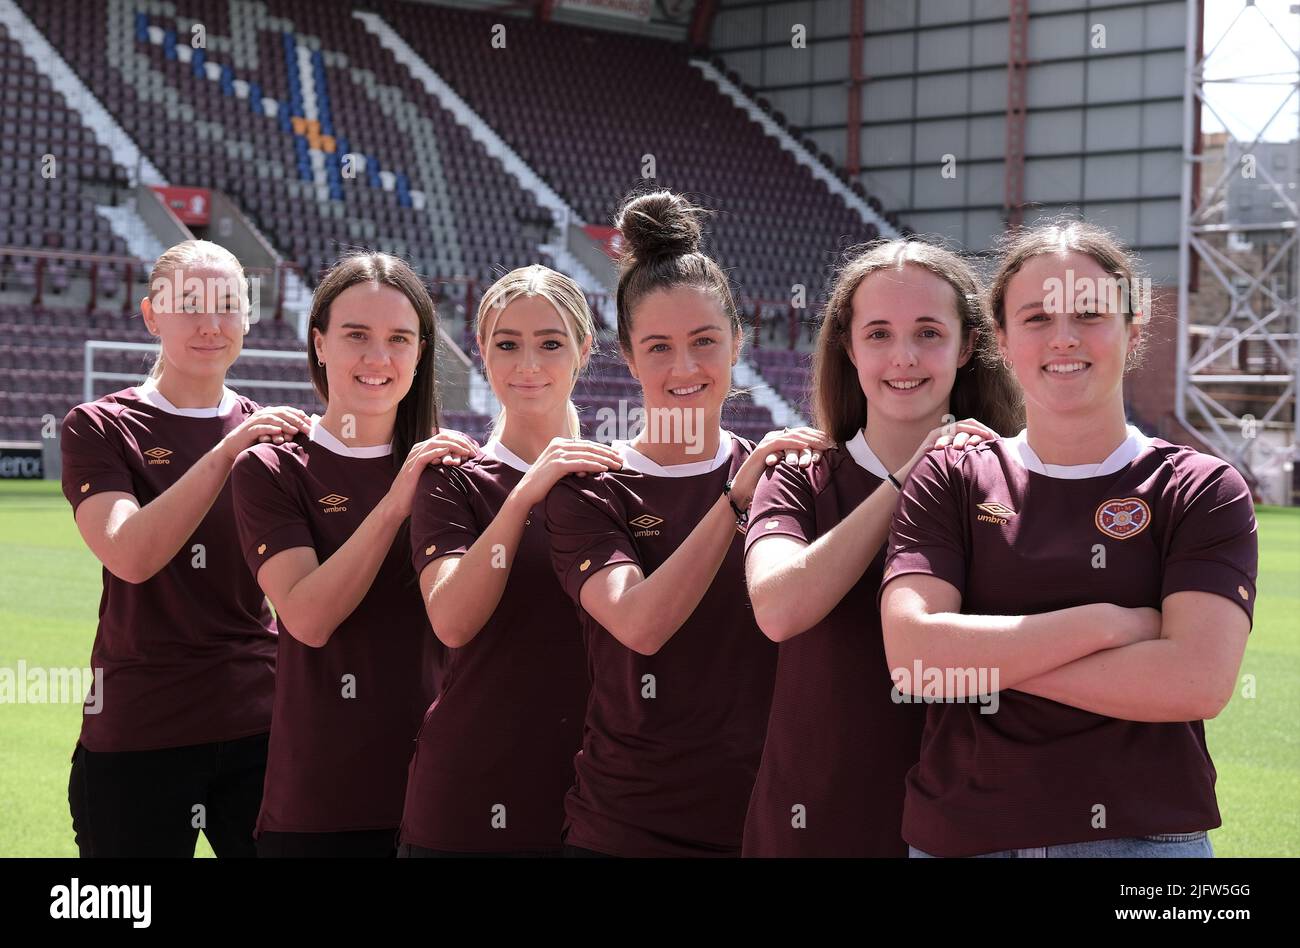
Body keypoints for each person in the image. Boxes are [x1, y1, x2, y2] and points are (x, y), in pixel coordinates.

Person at [880, 221, 1257, 858]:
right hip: (965, 836)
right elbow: (914, 658)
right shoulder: (952, 474)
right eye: (1035, 317)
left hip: (1141, 841)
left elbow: (1196, 683)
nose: (1063, 338)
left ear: (1133, 331)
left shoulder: (1200, 487)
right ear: (999, 339)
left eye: (1089, 313)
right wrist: (1109, 624)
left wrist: (980, 664)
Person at [545, 191, 829, 857]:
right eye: (659, 347)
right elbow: (641, 625)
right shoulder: (589, 487)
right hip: (624, 830)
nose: (685, 368)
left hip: (764, 824)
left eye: (705, 342)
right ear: (628, 354)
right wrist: (734, 501)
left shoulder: (790, 478)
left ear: (738, 341)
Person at [743, 238, 1021, 856]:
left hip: (974, 830)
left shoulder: (1014, 483)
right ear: (848, 346)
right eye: (878, 334)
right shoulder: (798, 477)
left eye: (928, 332)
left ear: (969, 345)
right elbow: (779, 610)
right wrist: (905, 480)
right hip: (815, 825)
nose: (903, 357)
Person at [61, 239, 312, 857]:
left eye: (228, 304)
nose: (210, 323)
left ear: (249, 318)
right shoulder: (100, 426)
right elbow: (131, 554)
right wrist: (228, 452)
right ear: (151, 314)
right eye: (188, 304)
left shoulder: (276, 437)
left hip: (261, 726)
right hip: (140, 729)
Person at [230, 252, 475, 857]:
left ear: (420, 355)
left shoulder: (456, 471)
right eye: (356, 336)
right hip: (321, 802)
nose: (378, 357)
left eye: (399, 339)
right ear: (319, 343)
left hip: (442, 792)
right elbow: (308, 619)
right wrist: (395, 504)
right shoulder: (271, 468)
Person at [398, 264, 619, 857]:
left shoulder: (622, 480)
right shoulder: (452, 483)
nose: (528, 364)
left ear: (583, 349)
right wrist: (526, 491)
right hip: (471, 796)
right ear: (482, 353)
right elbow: (451, 620)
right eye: (507, 344)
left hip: (607, 802)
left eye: (550, 343)